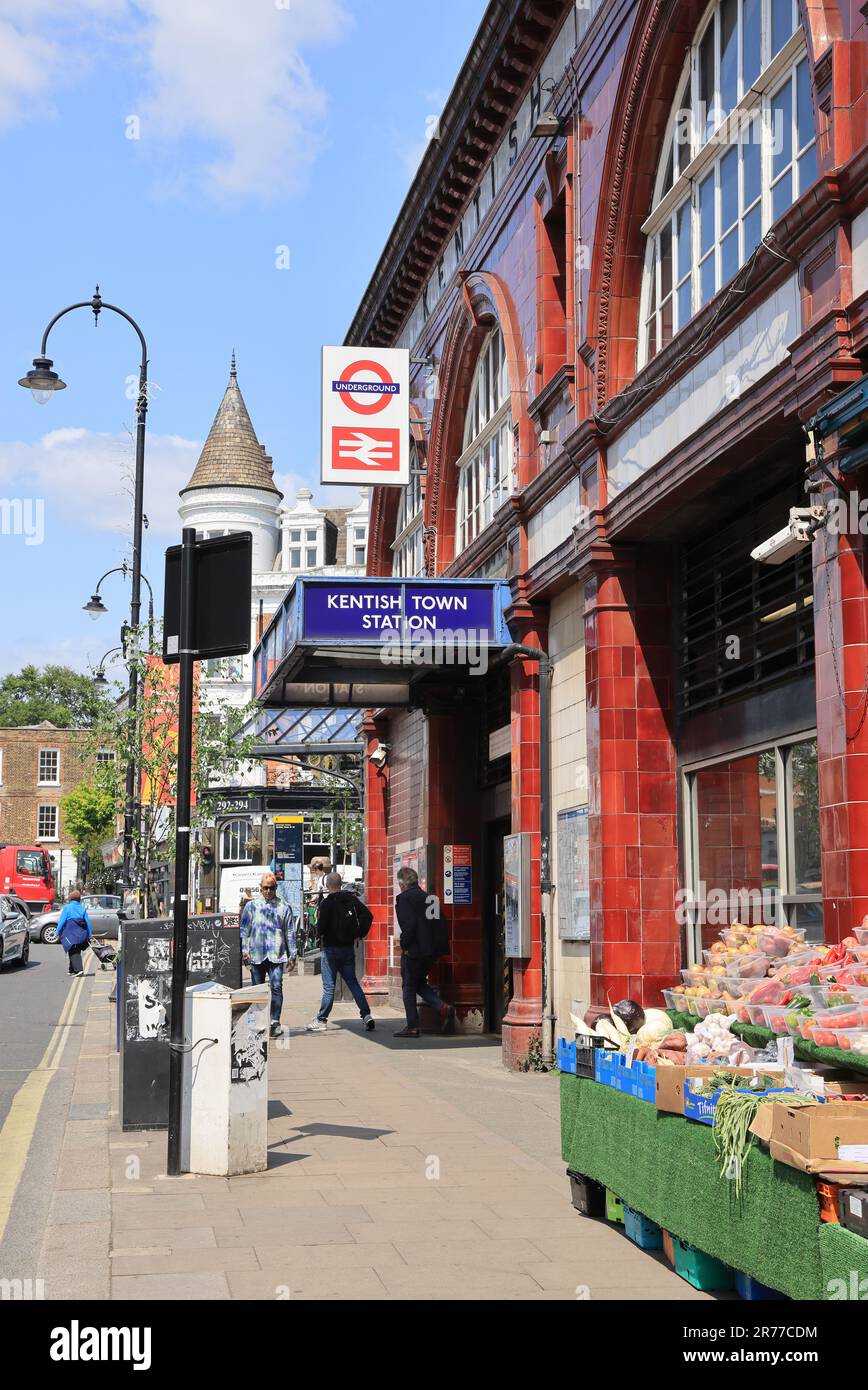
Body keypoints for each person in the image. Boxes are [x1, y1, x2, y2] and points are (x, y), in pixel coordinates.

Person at [306, 872, 374, 1033]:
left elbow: (321, 928)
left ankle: (321, 1020)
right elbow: (368, 916)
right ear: (341, 883)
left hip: (330, 950)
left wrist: (317, 934)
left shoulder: (327, 903)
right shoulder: (351, 899)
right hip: (348, 948)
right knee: (353, 982)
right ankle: (366, 1015)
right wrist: (359, 933)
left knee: (329, 986)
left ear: (328, 885)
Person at [394, 866, 455, 1039]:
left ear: (402, 884)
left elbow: (409, 925)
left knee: (408, 986)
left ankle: (412, 1026)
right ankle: (442, 1007)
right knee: (418, 982)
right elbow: (440, 922)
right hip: (433, 950)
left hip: (416, 950)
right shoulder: (430, 898)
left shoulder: (405, 898)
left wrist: (404, 946)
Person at [240, 871, 296, 1038]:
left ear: (276, 887)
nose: (268, 891)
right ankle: (258, 1022)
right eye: (265, 888)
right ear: (260, 888)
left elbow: (290, 932)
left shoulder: (283, 907)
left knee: (277, 987)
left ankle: (274, 1022)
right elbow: (244, 931)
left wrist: (292, 955)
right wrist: (245, 951)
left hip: (276, 954)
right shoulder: (251, 906)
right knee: (258, 990)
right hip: (257, 954)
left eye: (271, 888)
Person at [57, 889, 92, 976]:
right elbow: (88, 922)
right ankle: (72, 970)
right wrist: (89, 934)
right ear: (79, 899)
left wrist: (58, 932)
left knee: (73, 951)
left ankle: (79, 969)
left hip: (71, 933)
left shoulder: (67, 908)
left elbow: (62, 921)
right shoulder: (82, 909)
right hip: (81, 933)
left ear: (70, 899)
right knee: (75, 950)